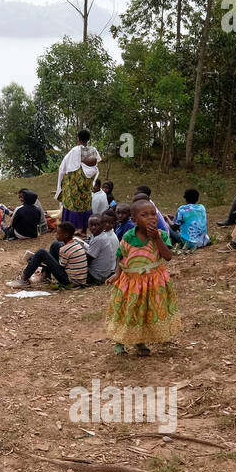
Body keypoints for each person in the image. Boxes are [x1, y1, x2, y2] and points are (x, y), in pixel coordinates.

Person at [106, 200, 180, 356]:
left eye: (153, 214)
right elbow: (120, 255)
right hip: (131, 283)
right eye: (144, 215)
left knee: (144, 312)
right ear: (134, 220)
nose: (151, 218)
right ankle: (120, 342)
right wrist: (117, 273)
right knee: (128, 311)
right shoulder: (128, 236)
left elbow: (167, 257)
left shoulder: (162, 235)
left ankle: (140, 342)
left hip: (152, 283)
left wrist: (157, 238)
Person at [9, 221, 87, 288]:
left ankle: (23, 280)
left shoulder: (65, 249)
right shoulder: (76, 244)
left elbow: (62, 266)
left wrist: (46, 262)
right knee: (56, 244)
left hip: (70, 282)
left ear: (66, 235)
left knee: (41, 252)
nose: (56, 235)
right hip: (80, 280)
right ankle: (45, 275)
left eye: (58, 234)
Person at [57, 129, 101, 231]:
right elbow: (95, 163)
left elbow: (64, 166)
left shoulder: (75, 150)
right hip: (87, 183)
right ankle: (84, 230)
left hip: (74, 183)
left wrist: (63, 177)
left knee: (72, 203)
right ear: (88, 139)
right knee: (85, 204)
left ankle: (70, 229)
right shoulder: (93, 150)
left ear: (78, 138)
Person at [83, 215, 119, 284]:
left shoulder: (99, 239)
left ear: (103, 226)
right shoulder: (102, 235)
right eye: (91, 225)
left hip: (96, 276)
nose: (93, 227)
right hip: (102, 274)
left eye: (97, 225)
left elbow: (88, 260)